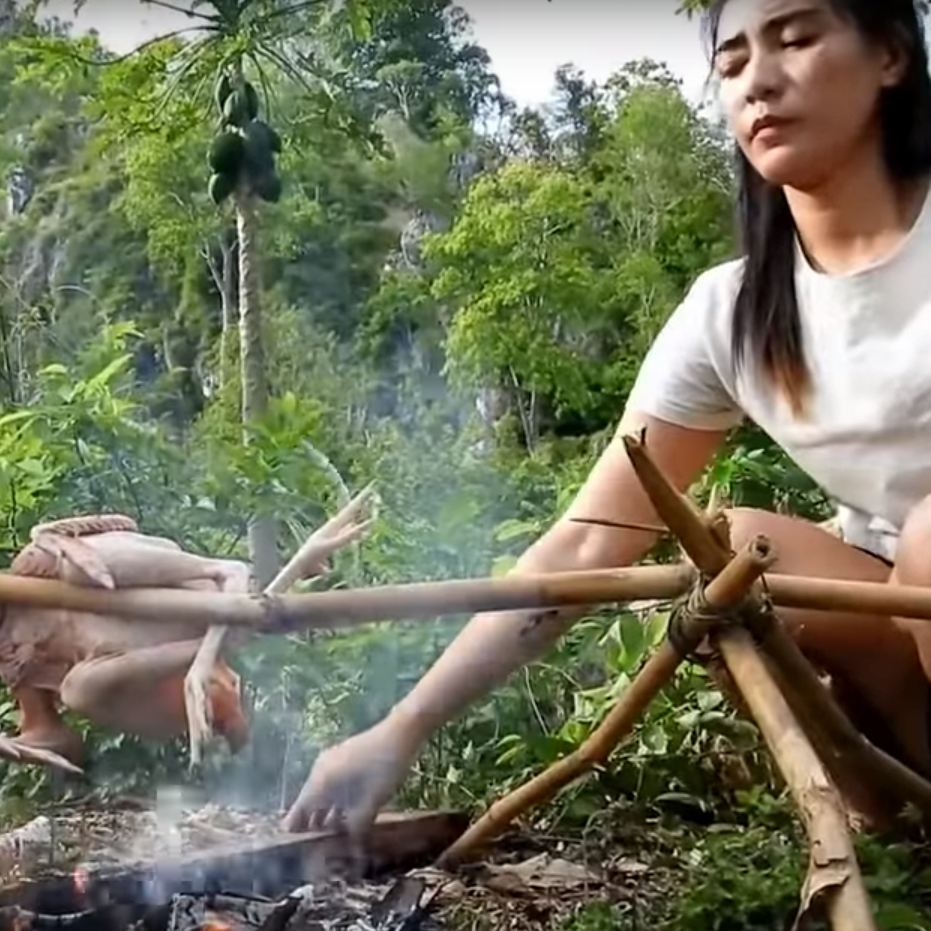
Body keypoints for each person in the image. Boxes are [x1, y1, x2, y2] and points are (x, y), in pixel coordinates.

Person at [282, 0, 931, 836]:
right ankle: (890, 824)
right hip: (895, 630)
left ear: (888, 56)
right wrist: (400, 728)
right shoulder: (731, 312)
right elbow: (587, 541)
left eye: (797, 39)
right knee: (727, 555)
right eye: (731, 64)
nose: (758, 81)